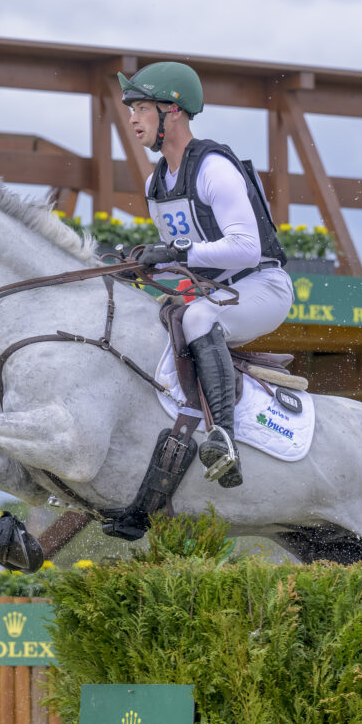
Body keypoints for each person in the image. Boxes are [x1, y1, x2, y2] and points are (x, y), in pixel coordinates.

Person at [119, 61, 292, 489]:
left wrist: (176, 251)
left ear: (172, 111)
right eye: (131, 109)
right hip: (212, 290)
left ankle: (224, 441)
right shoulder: (155, 184)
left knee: (198, 319)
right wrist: (139, 264)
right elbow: (183, 263)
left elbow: (246, 248)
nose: (131, 118)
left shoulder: (214, 168)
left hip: (261, 286)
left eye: (140, 107)